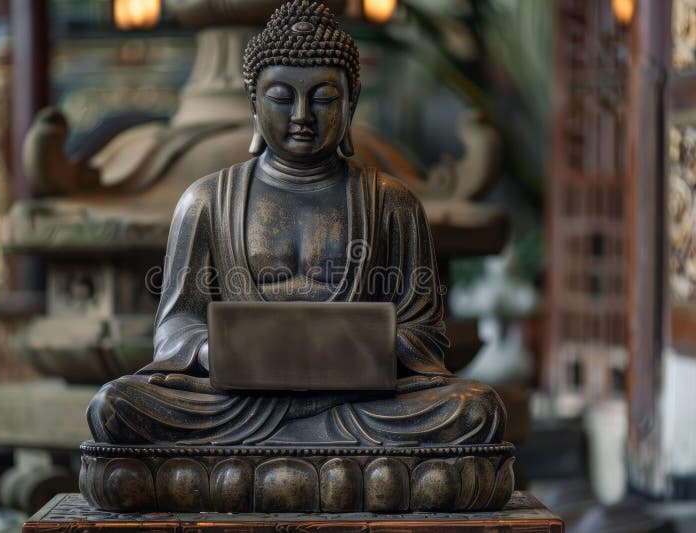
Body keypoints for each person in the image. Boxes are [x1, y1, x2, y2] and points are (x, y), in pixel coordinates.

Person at [87, 0, 505, 447]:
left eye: (323, 98)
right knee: (115, 408)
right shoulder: (206, 200)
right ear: (253, 102)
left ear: (351, 103)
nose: (302, 116)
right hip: (237, 404)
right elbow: (176, 326)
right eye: (282, 98)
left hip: (359, 406)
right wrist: (220, 352)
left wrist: (358, 349)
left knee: (475, 411)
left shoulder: (391, 202)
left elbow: (424, 333)